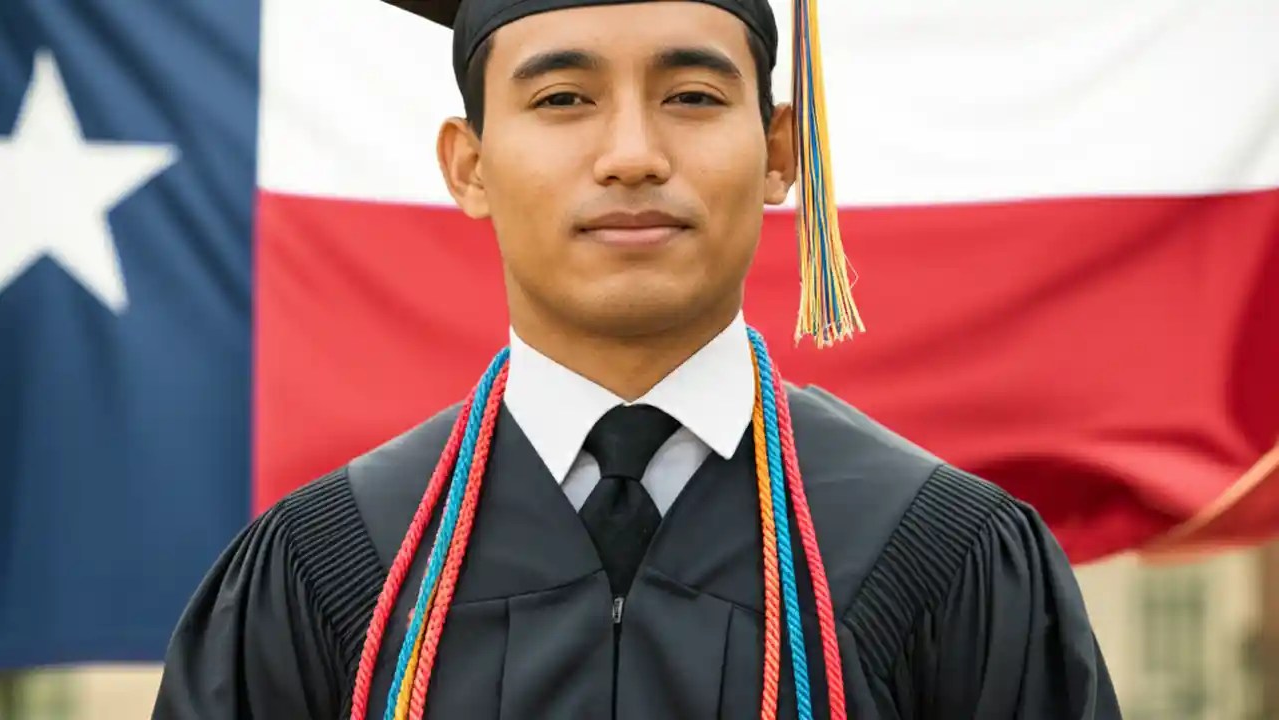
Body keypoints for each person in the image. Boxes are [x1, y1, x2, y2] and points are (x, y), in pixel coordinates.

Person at [151, 0, 1123, 718]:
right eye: (563, 98)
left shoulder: (946, 555)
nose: (631, 154)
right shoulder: (328, 570)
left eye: (692, 96)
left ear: (779, 152)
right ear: (469, 165)